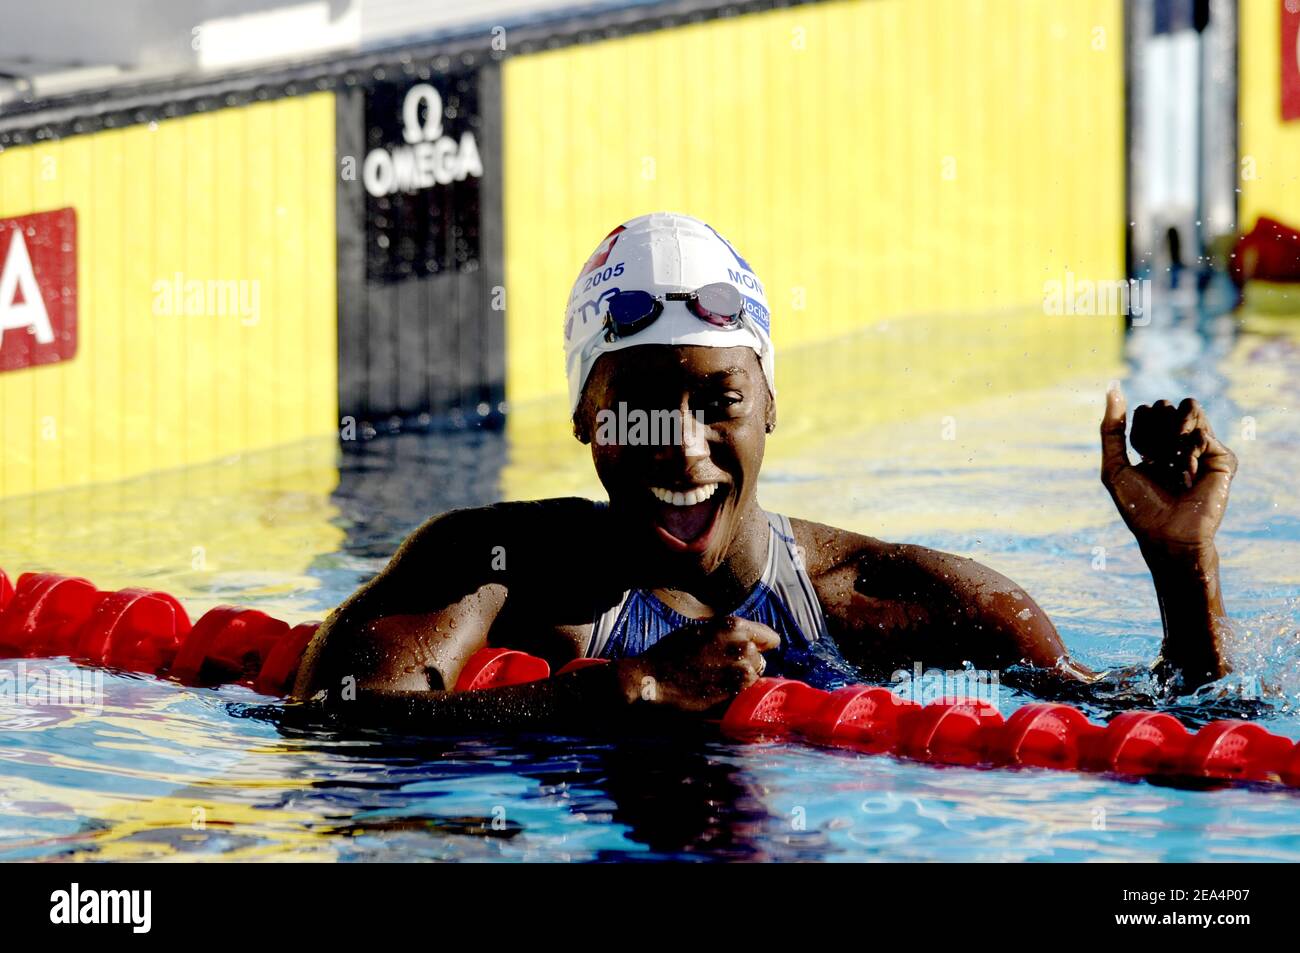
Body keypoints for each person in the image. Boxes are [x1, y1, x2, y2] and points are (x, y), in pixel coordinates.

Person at [293, 212, 1237, 729]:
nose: (687, 449)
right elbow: (330, 722)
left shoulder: (893, 597)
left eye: (718, 401)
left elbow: (1175, 736)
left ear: (771, 402)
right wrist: (621, 692)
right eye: (641, 406)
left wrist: (1182, 571)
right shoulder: (497, 567)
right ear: (586, 416)